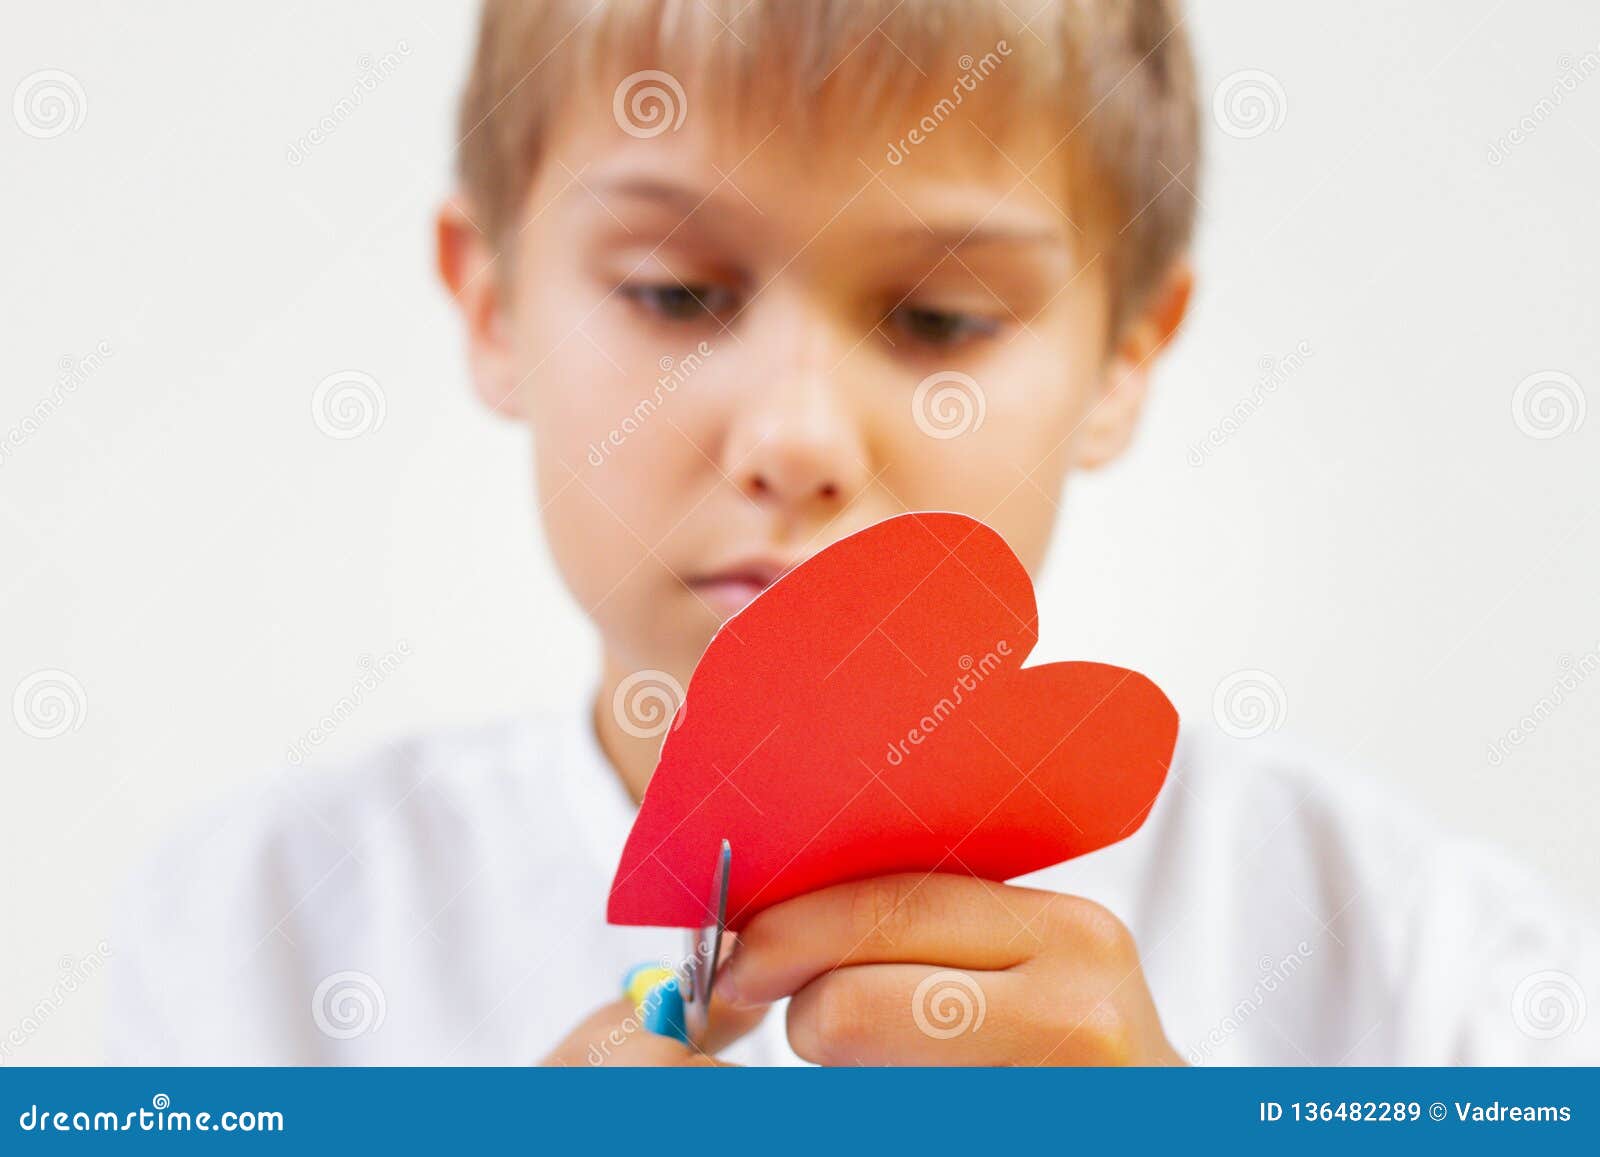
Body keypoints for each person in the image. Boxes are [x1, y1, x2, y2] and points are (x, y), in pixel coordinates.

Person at [108, 0, 1598, 1065]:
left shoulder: (1417, 959)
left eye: (940, 318)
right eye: (678, 294)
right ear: (491, 305)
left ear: (1128, 356)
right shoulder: (250, 934)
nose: (798, 436)